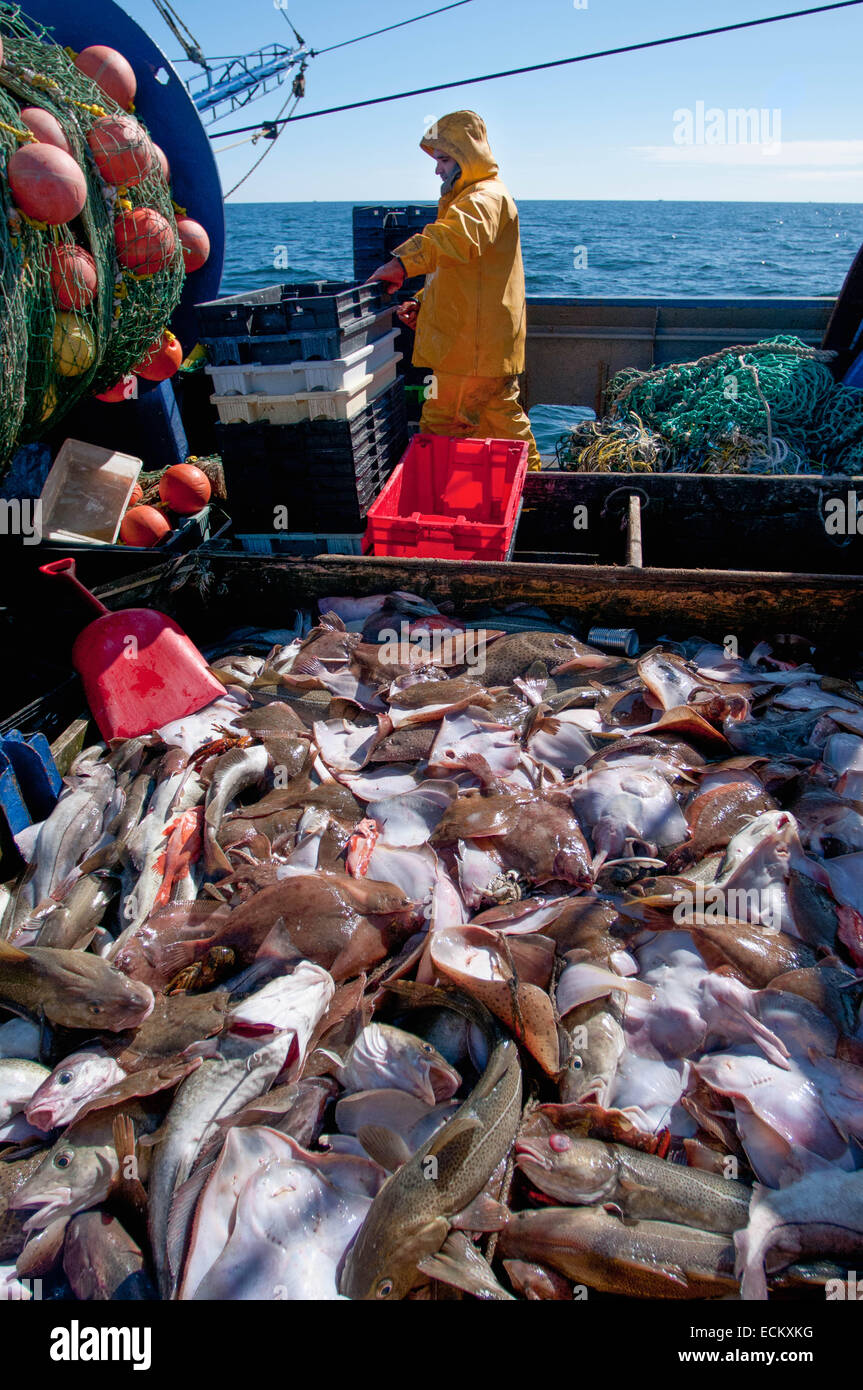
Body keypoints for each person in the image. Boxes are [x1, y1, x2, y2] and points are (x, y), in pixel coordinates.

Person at [366, 110, 542, 470]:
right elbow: (460, 273)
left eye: (444, 159)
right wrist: (422, 303)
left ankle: (442, 508)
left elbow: (457, 238)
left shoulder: (485, 198)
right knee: (504, 428)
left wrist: (402, 264)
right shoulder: (473, 199)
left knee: (441, 433)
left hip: (469, 354)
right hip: (475, 350)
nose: (437, 170)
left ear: (466, 157)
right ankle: (536, 497)